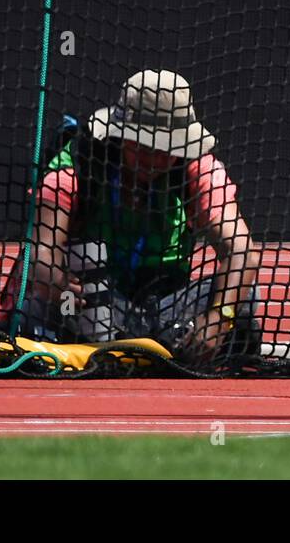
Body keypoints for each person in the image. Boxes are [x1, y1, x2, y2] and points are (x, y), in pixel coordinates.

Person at [19, 69, 262, 363]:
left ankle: (169, 348)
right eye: (143, 147)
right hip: (93, 302)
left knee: (242, 300)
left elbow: (241, 250)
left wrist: (219, 318)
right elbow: (41, 253)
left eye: (166, 149)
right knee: (35, 308)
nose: (155, 159)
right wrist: (56, 284)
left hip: (165, 303)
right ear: (120, 136)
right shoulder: (76, 166)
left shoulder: (197, 170)